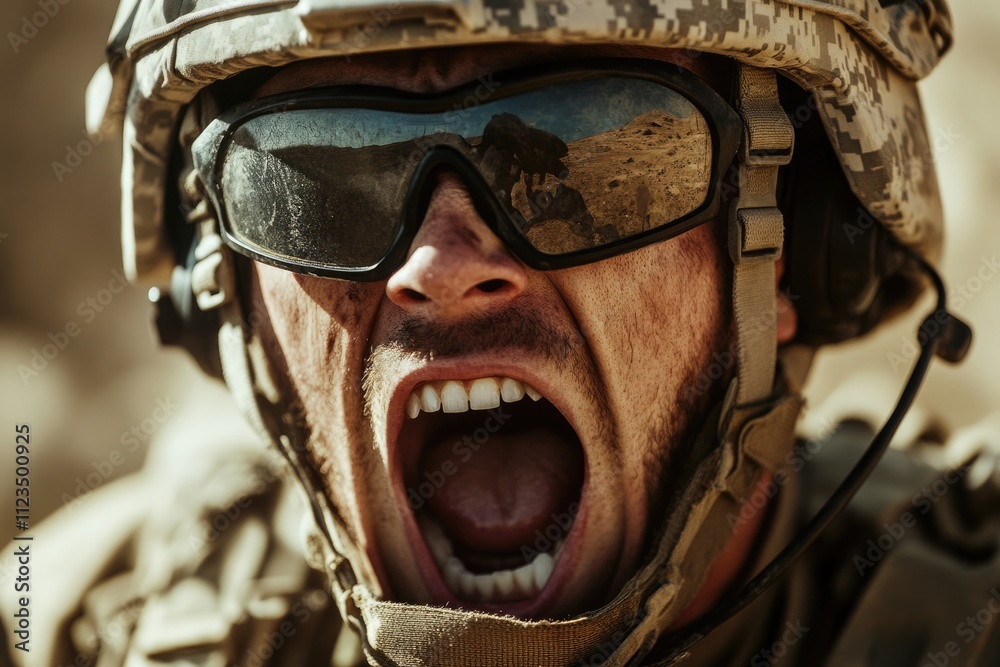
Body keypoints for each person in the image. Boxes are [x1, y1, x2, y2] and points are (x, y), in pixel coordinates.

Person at [5, 0, 1000, 665]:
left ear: (799, 243)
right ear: (221, 286)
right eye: (317, 181)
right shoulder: (79, 626)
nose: (439, 266)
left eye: (587, 160)